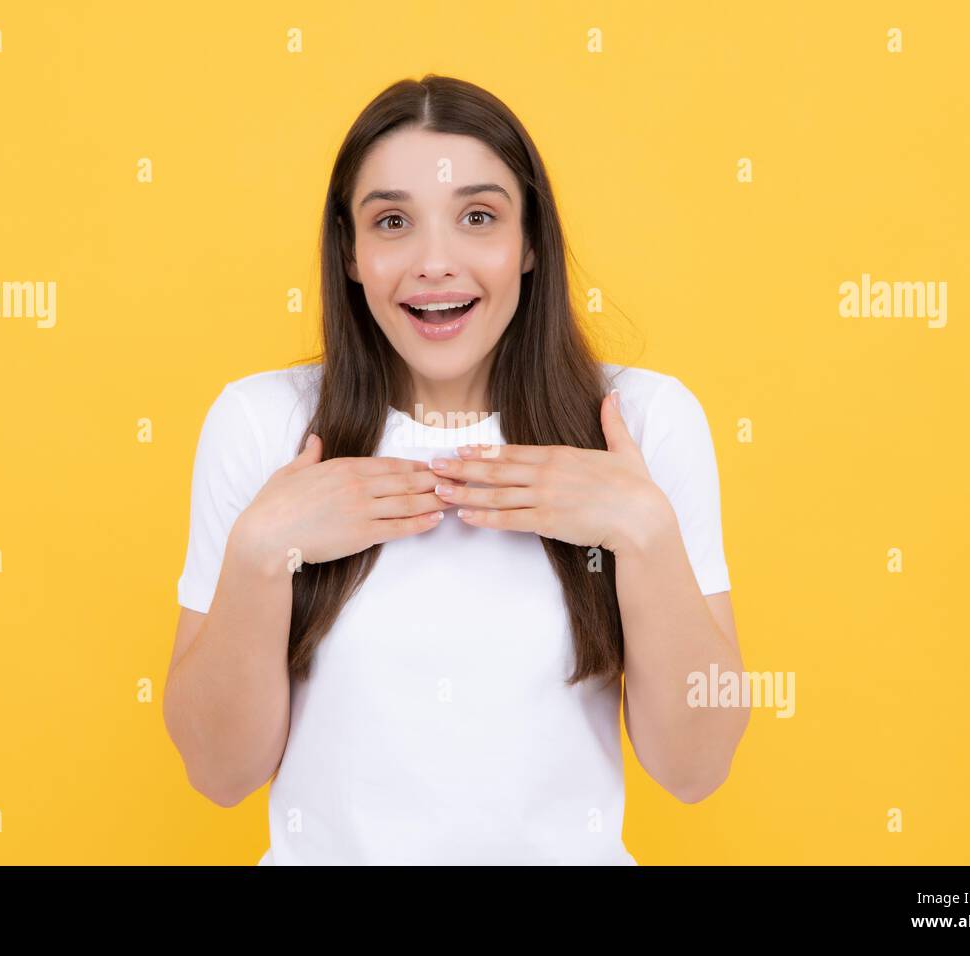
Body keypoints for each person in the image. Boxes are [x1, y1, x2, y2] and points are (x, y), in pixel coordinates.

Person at [163, 75, 747, 865]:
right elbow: (219, 773)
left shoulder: (642, 422)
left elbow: (696, 767)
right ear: (351, 251)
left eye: (478, 217)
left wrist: (643, 531)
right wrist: (260, 554)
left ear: (530, 240)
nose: (435, 263)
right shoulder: (261, 422)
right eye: (393, 222)